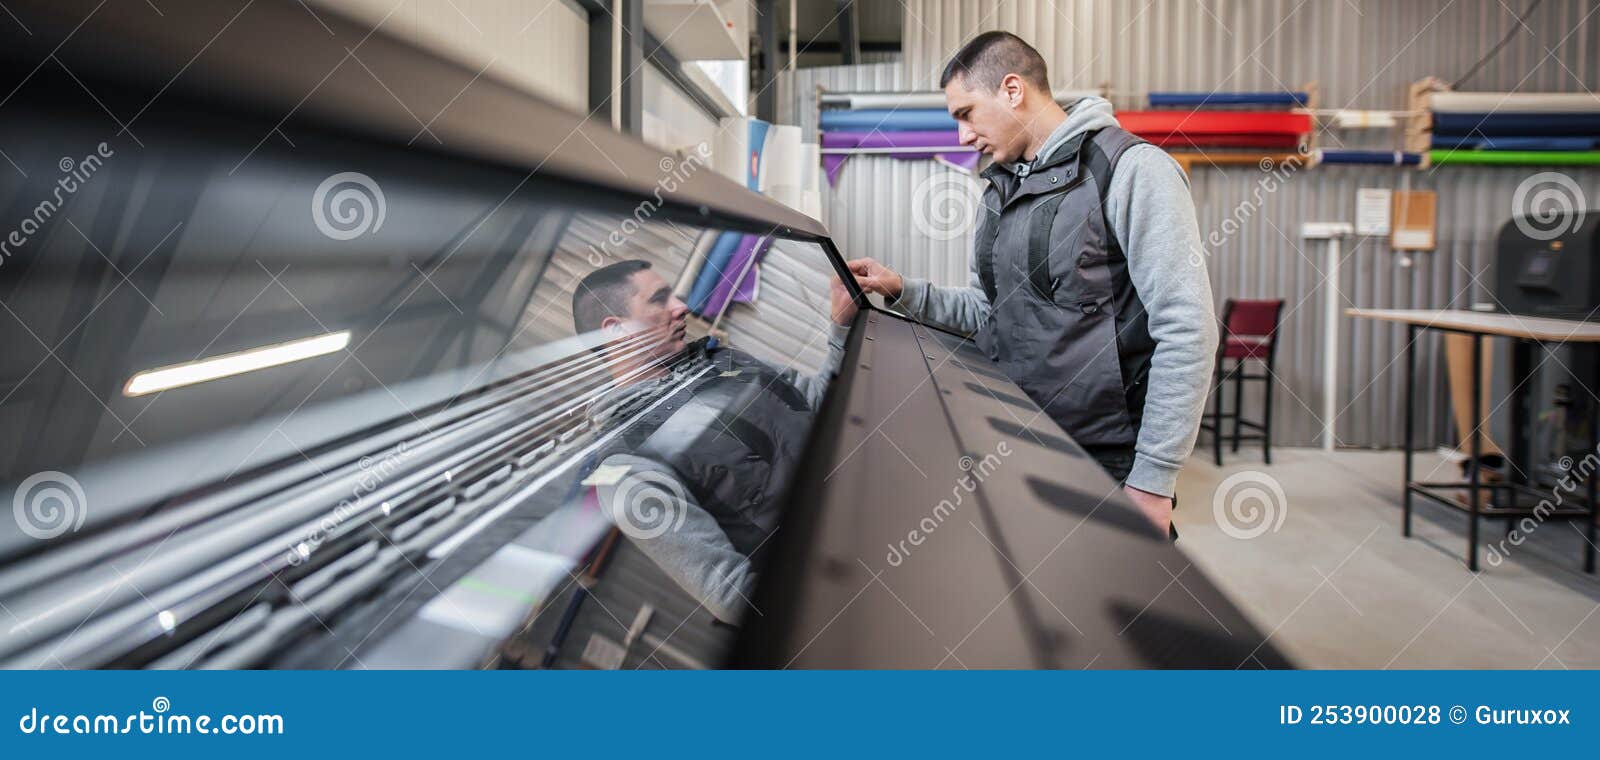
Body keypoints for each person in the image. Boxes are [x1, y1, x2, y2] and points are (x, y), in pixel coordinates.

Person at [847, 32, 1216, 535]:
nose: (962, 137)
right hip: (1014, 443)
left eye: (966, 114)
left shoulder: (1130, 170)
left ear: (1012, 90)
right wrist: (901, 290)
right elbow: (986, 312)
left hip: (1105, 462)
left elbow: (1187, 329)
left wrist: (1154, 479)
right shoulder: (999, 191)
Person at [570, 259, 852, 621]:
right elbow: (733, 594)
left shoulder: (723, 360)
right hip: (840, 584)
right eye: (659, 299)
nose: (681, 306)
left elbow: (815, 402)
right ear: (616, 329)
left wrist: (841, 329)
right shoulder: (627, 467)